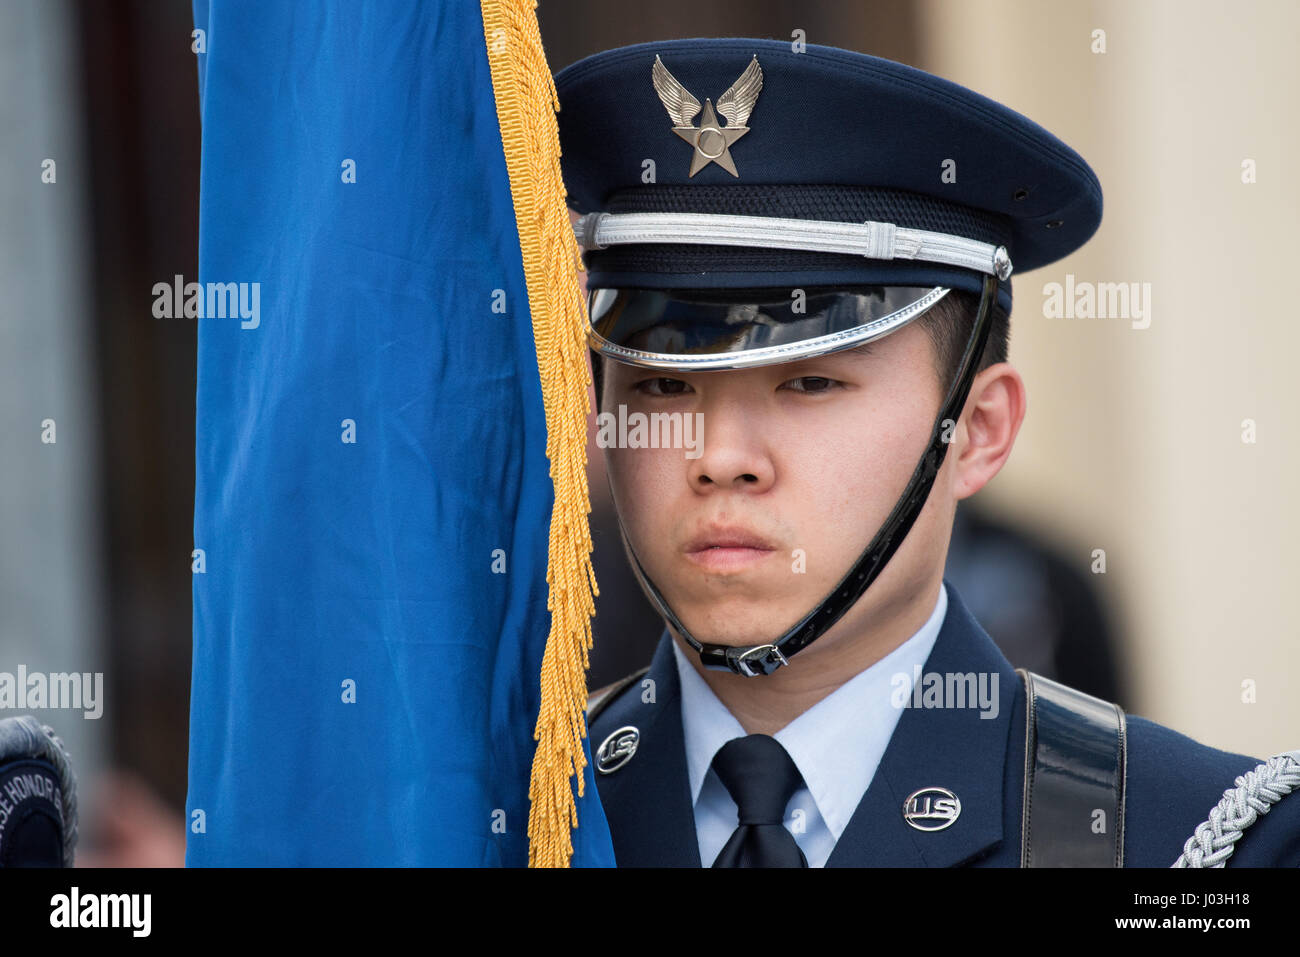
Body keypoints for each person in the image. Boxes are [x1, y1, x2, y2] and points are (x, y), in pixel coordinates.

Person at [553, 37, 1300, 868]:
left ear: (979, 429)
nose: (721, 457)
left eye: (809, 384)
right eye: (664, 385)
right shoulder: (497, 817)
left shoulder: (1195, 842)